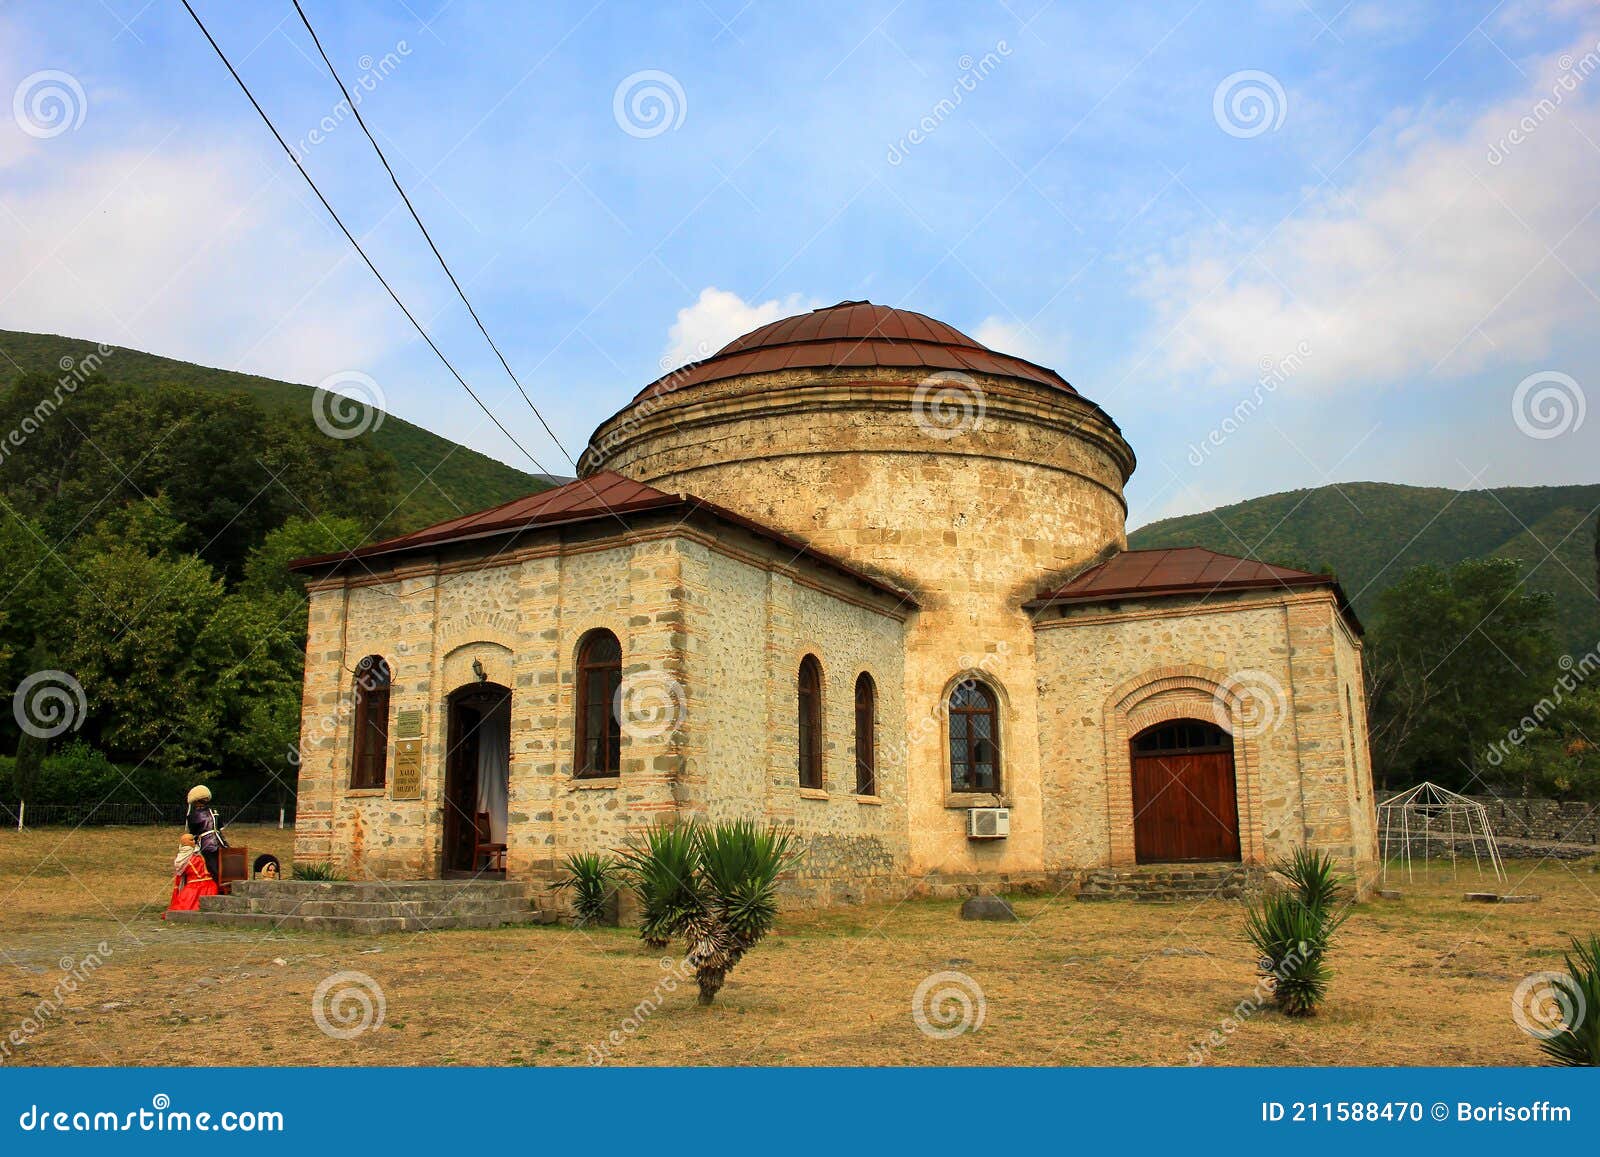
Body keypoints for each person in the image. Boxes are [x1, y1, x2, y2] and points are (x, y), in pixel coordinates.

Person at [164, 833, 218, 917]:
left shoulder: (194, 854)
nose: (194, 842)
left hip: (205, 883)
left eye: (193, 840)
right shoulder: (190, 856)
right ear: (185, 842)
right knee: (187, 900)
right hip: (196, 884)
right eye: (191, 840)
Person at [185, 785, 227, 882]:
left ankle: (217, 885)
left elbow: (193, 833)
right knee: (222, 868)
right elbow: (220, 827)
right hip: (221, 843)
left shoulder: (192, 815)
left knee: (213, 870)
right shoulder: (215, 811)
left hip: (206, 845)